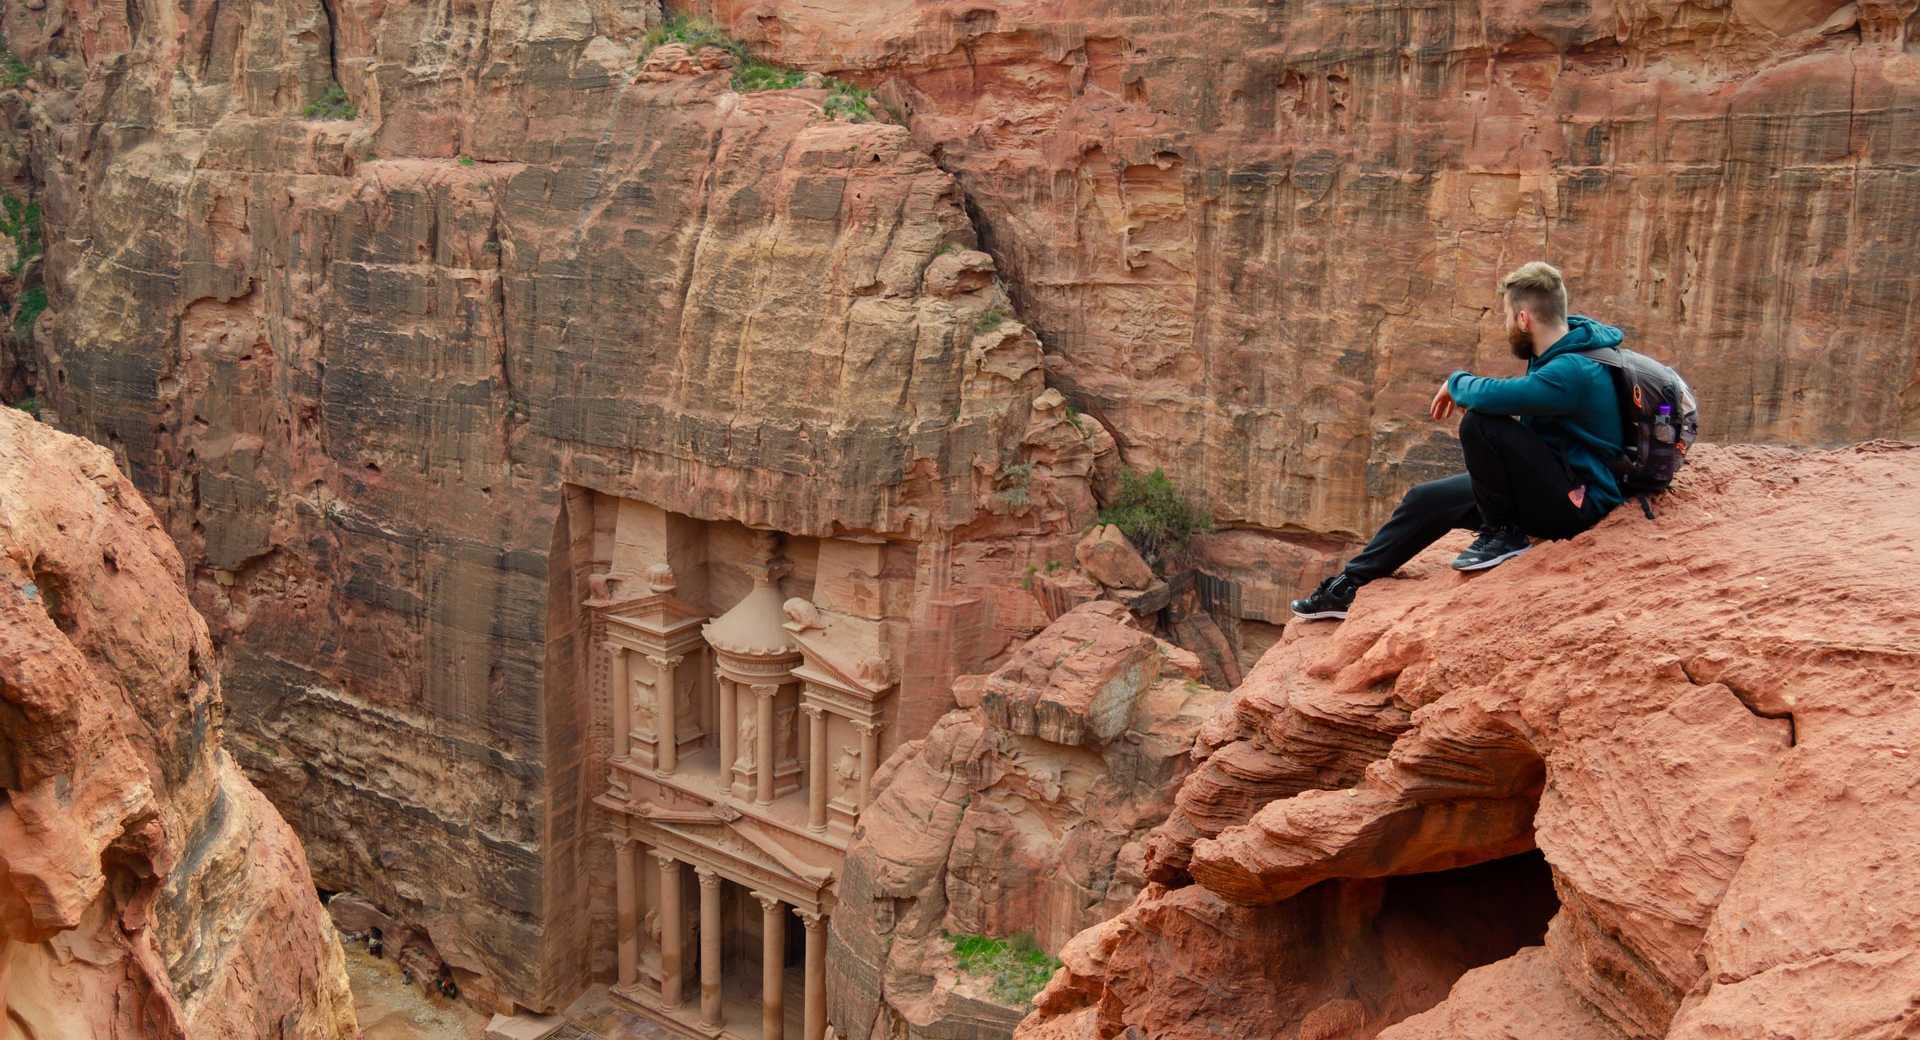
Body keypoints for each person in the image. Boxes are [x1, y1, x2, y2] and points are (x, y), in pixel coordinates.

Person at [1290, 261, 1626, 621]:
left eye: (1507, 317)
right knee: (1427, 500)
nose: (1506, 325)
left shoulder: (1571, 371)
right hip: (1552, 482)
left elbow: (1494, 398)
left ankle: (1502, 534)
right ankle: (1349, 587)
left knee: (1481, 422)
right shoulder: (1562, 354)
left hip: (1578, 503)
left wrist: (1456, 382)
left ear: (1524, 319)